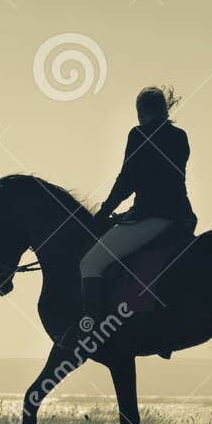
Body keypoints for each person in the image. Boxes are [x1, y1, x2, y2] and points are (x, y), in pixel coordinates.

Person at [78, 85, 196, 327]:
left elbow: (128, 179)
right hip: (181, 216)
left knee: (90, 262)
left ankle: (90, 328)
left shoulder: (139, 135)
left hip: (153, 217)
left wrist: (104, 211)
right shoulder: (179, 136)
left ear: (142, 111)